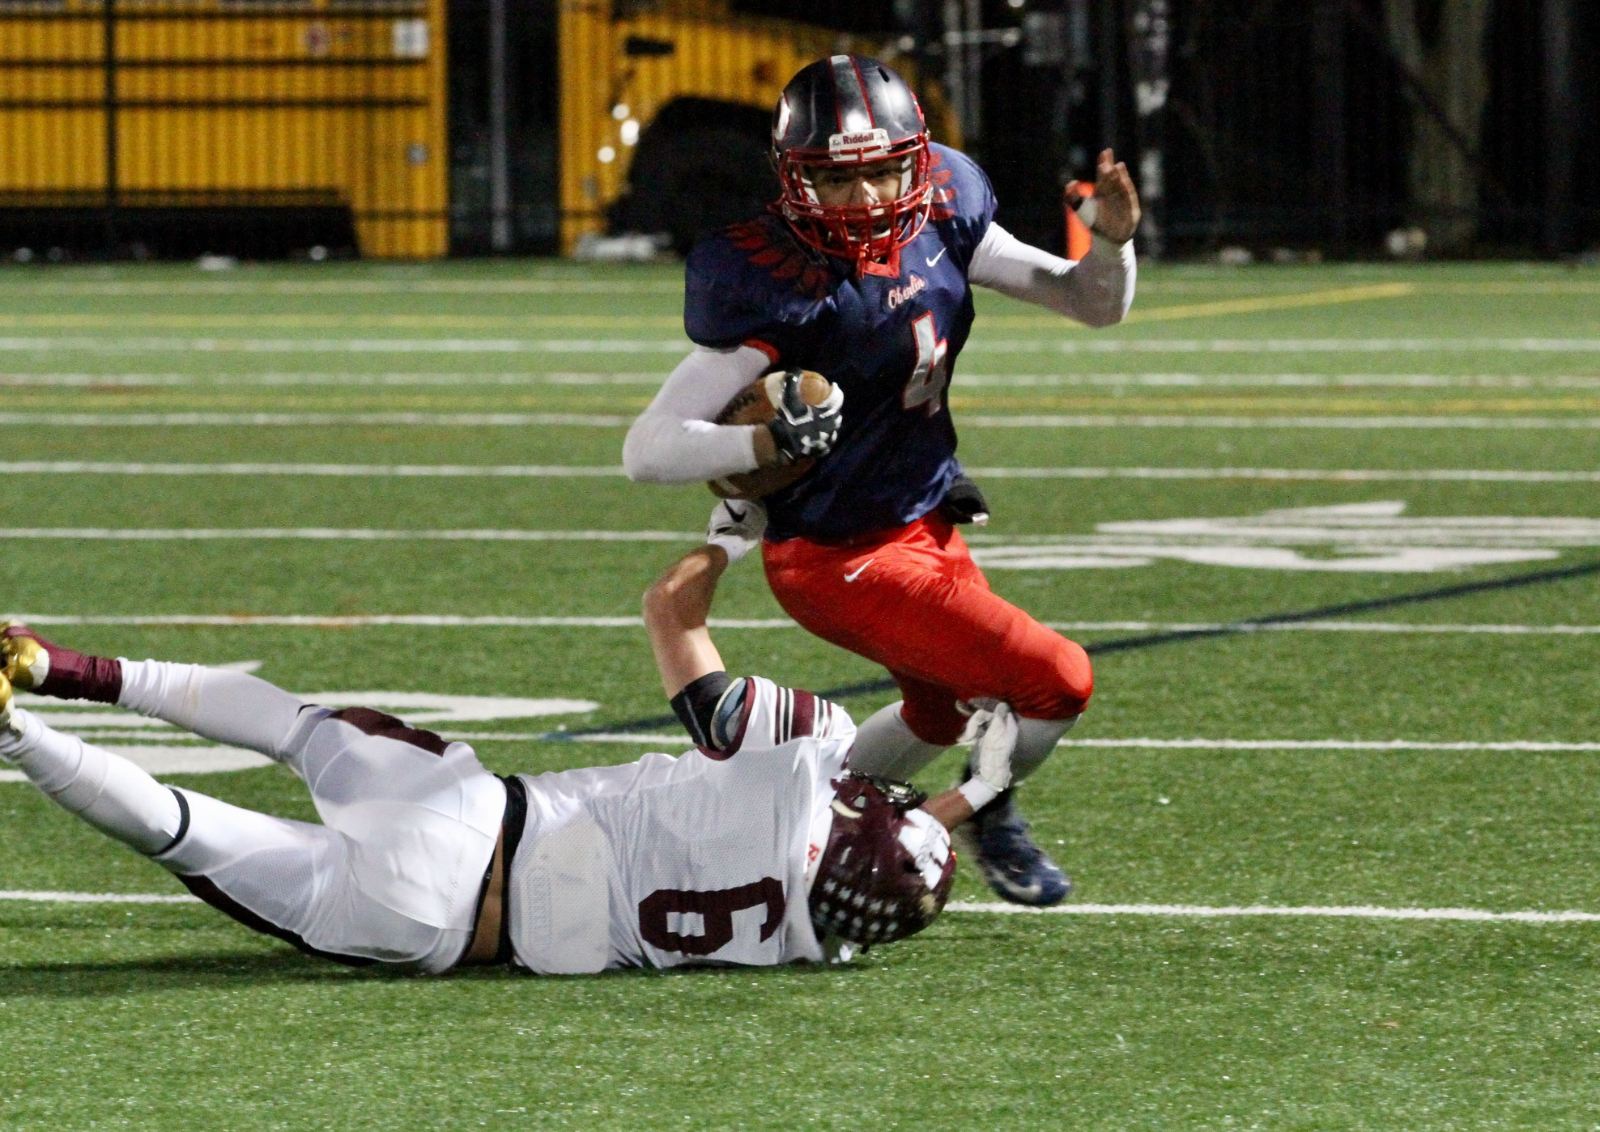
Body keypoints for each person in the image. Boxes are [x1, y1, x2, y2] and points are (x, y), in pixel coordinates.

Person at [0, 512, 1024, 974]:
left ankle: (56, 665)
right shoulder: (817, 937)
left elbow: (673, 615)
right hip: (437, 931)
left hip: (466, 811)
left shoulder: (812, 755)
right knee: (180, 829)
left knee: (287, 722)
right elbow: (879, 857)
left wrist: (735, 519)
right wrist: (966, 798)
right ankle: (13, 727)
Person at [623, 54, 1142, 905]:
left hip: (924, 518)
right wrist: (763, 444)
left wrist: (1113, 243)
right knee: (1057, 679)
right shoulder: (778, 282)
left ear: (918, 161)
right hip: (835, 555)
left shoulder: (945, 208)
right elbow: (646, 449)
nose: (864, 199)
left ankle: (796, 842)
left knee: (939, 712)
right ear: (794, 180)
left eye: (883, 173)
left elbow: (1093, 303)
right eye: (836, 180)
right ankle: (957, 821)